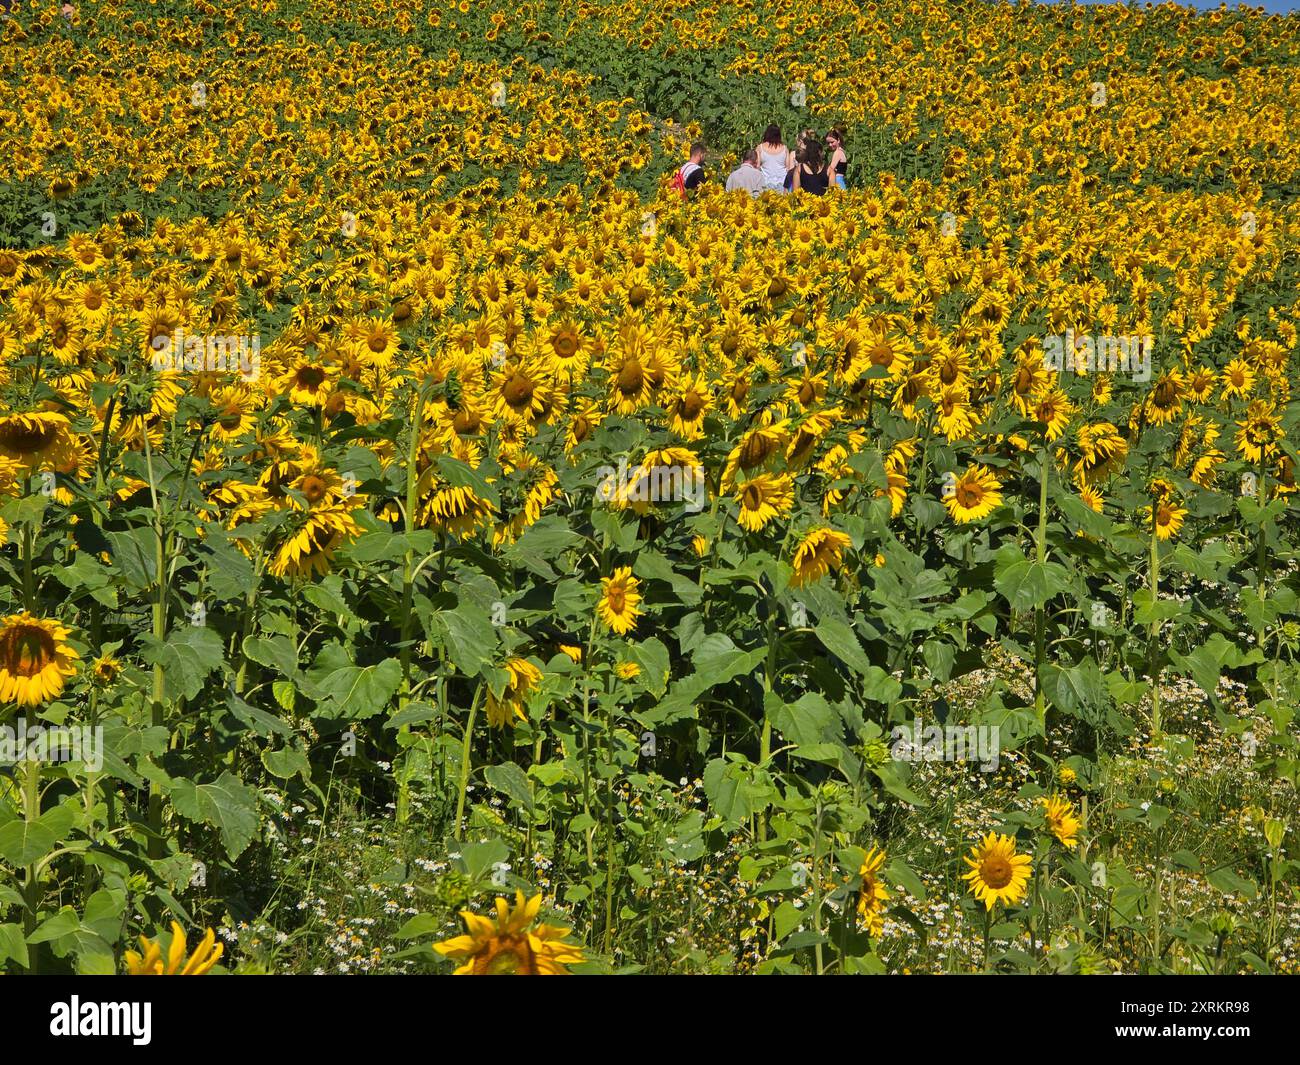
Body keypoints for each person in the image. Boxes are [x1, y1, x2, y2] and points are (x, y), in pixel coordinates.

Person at [755, 125, 791, 194]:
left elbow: (757, 166)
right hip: (782, 182)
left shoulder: (760, 148)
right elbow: (788, 168)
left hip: (765, 182)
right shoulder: (785, 148)